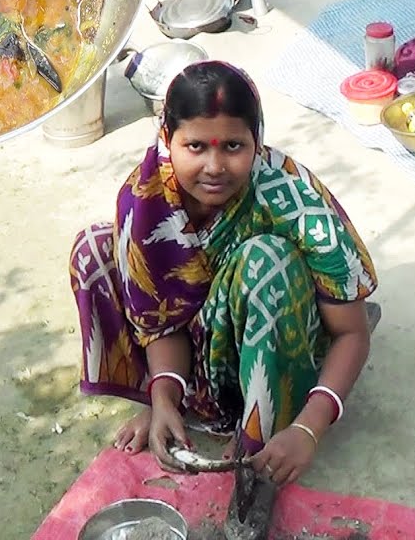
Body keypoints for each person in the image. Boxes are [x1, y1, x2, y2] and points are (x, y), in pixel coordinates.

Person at [67, 61, 378, 510]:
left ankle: (262, 425)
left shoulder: (293, 198)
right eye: (195, 146)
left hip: (276, 343)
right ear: (167, 139)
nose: (215, 167)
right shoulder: (147, 198)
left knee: (265, 262)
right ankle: (164, 403)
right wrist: (164, 394)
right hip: (197, 346)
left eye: (234, 146)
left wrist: (309, 427)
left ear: (257, 141)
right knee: (94, 249)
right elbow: (160, 322)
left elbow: (352, 332)